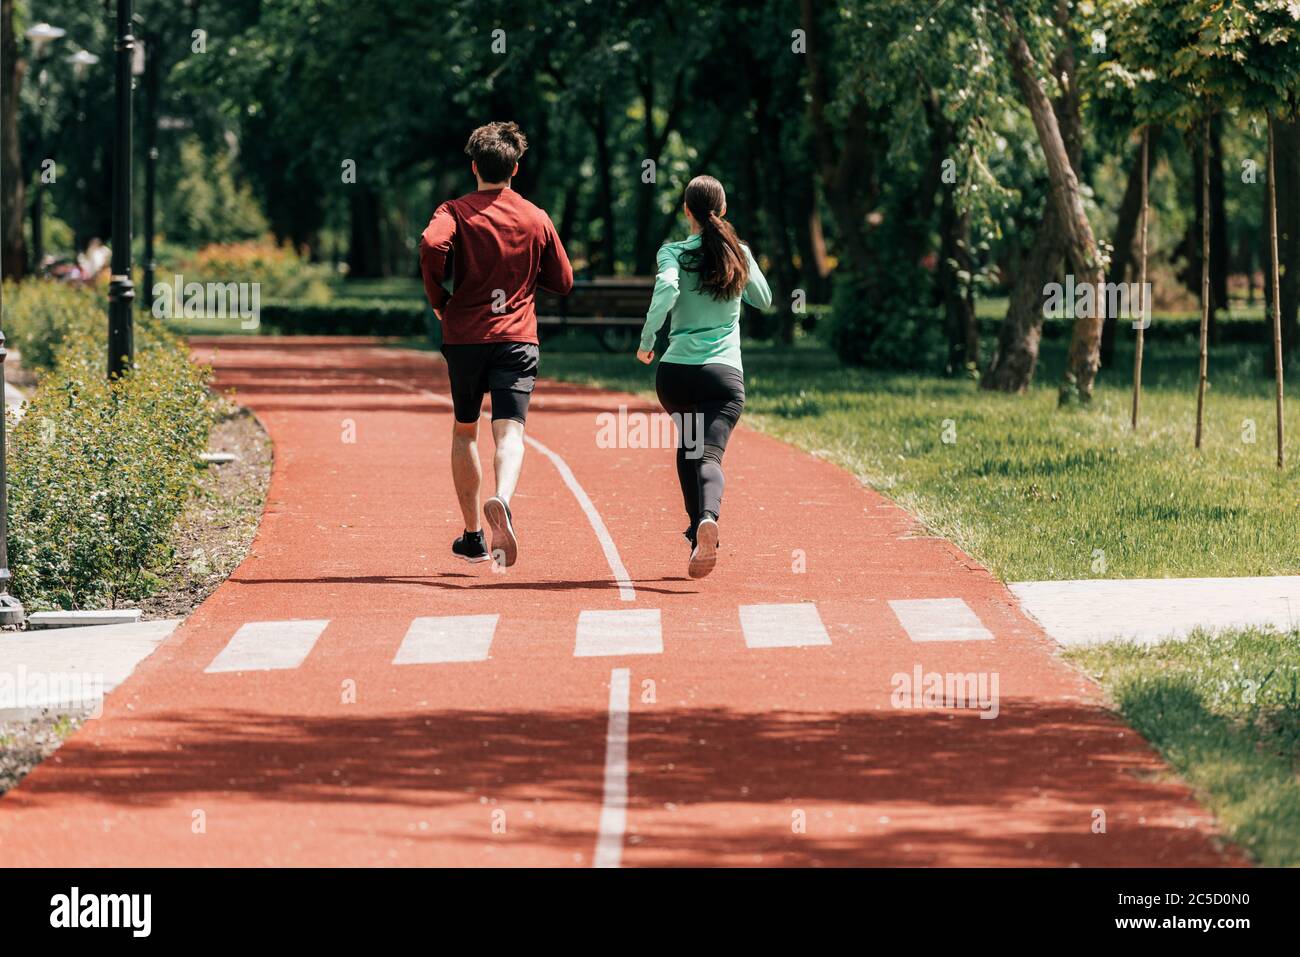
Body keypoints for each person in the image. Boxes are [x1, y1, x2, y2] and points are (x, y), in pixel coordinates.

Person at [419, 121, 573, 566]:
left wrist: (439, 298)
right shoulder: (535, 216)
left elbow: (431, 244)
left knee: (465, 429)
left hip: (466, 336)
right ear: (516, 169)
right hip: (517, 339)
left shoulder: (454, 210)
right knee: (509, 432)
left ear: (474, 167)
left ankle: (472, 536)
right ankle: (502, 499)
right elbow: (563, 282)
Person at [636, 175, 771, 579]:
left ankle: (698, 533)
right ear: (724, 209)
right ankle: (707, 518)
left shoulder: (672, 253)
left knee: (689, 444)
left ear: (686, 211)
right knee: (708, 455)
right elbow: (764, 299)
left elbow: (666, 292)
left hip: (677, 375)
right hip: (723, 376)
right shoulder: (739, 253)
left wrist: (647, 341)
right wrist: (740, 263)